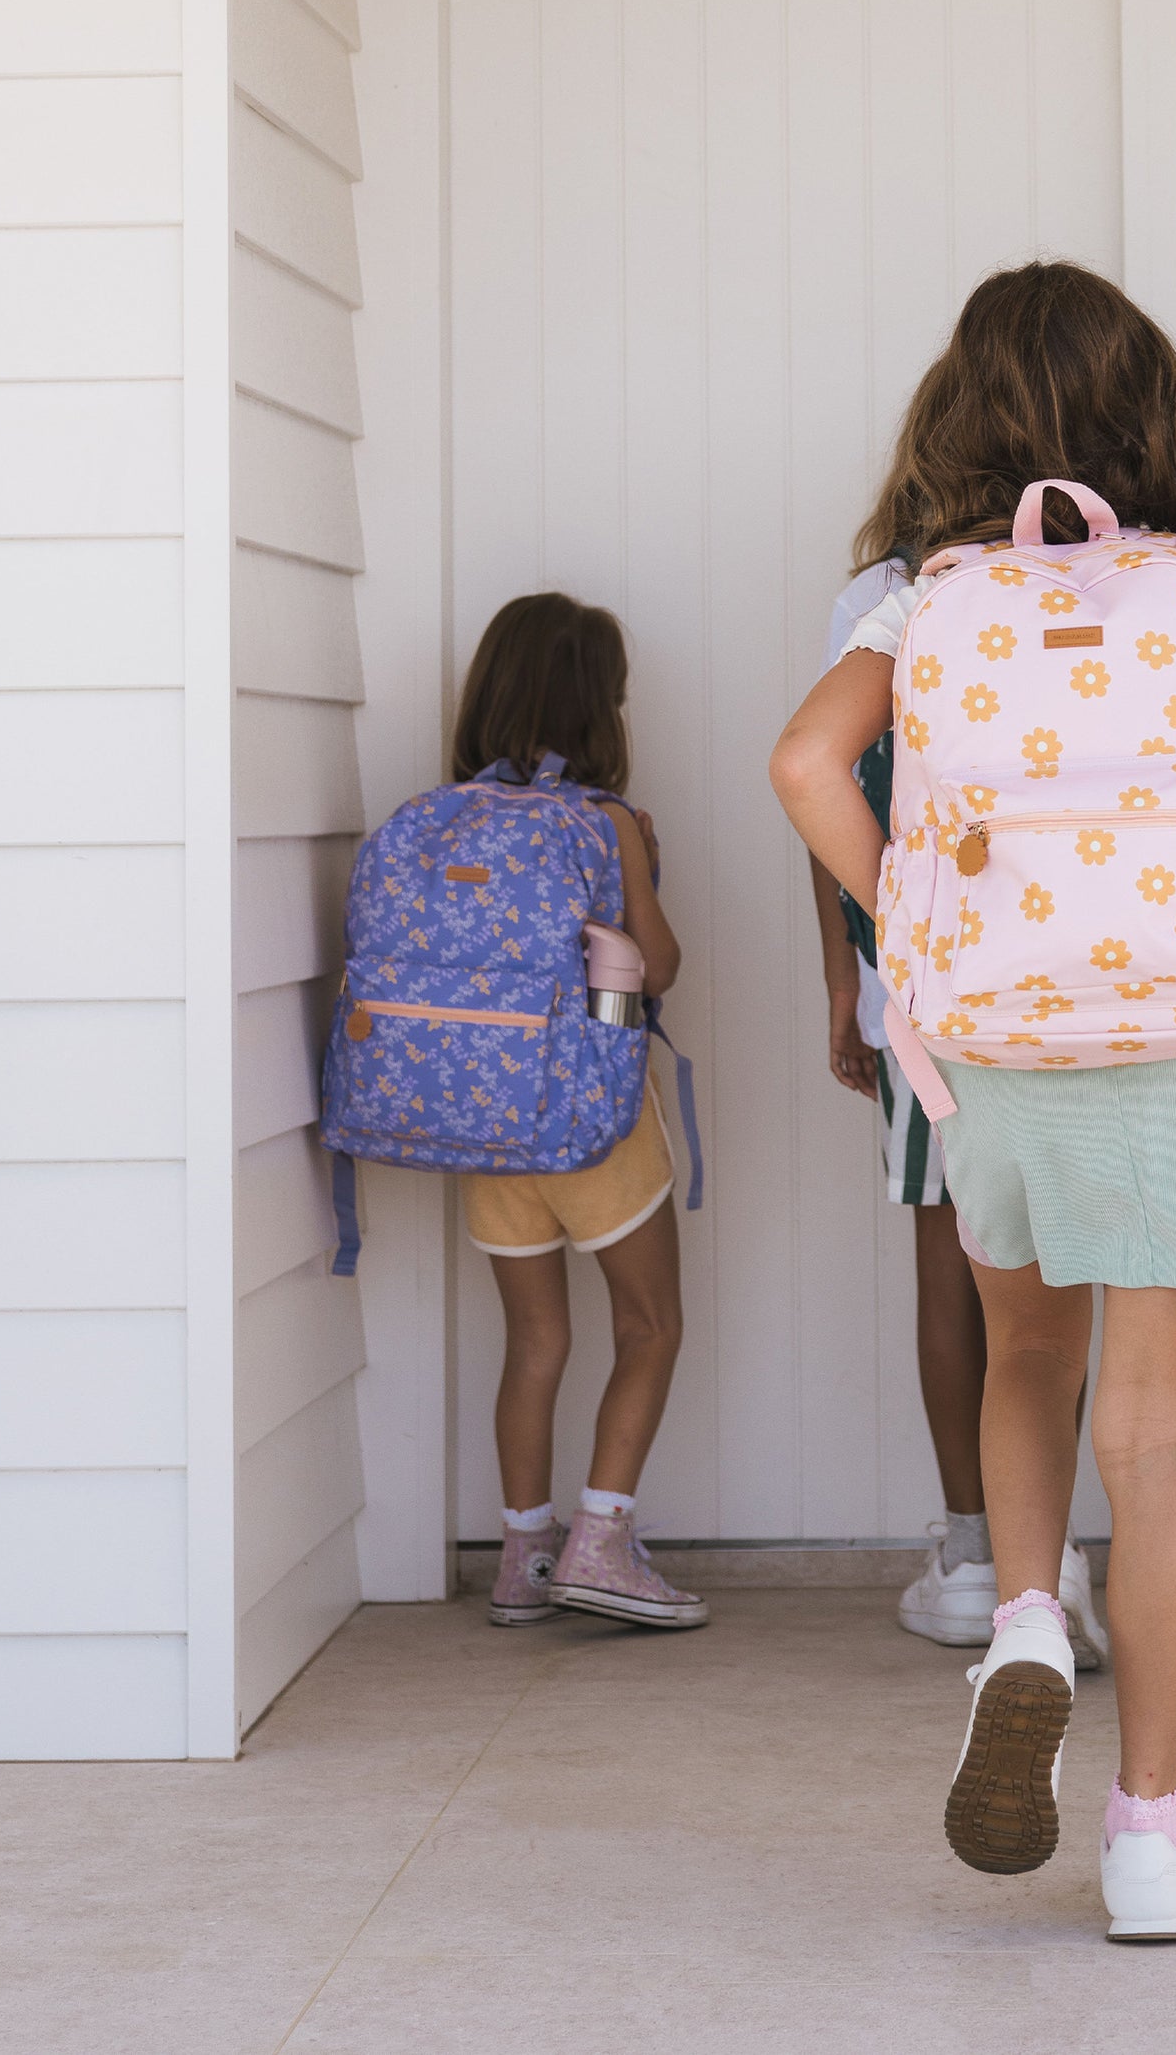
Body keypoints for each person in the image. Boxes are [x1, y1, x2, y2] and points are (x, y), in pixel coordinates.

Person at [771, 262, 1176, 1942]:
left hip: (997, 1029)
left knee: (1025, 1362)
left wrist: (906, 912)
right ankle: (1145, 1838)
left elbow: (796, 764)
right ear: (1151, 406)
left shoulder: (924, 591)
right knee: (1157, 1428)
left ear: (960, 412)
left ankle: (1026, 1624)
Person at [812, 557, 1108, 1665]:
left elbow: (831, 775)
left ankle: (982, 1556)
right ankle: (1057, 1562)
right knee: (1061, 1277)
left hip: (936, 986)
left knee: (957, 1260)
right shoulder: (1128, 566)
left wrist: (855, 979)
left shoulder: (892, 591)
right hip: (1111, 979)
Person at [459, 595, 707, 1634]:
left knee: (534, 1343)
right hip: (592, 1121)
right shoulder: (603, 824)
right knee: (650, 1326)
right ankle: (601, 1543)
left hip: (481, 1123)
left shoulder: (449, 816)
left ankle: (523, 1555)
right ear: (598, 708)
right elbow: (657, 967)